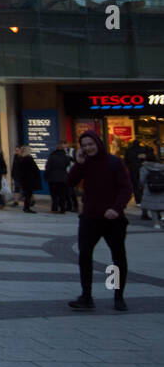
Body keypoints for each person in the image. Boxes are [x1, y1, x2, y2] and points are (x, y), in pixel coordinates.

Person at [66, 131, 132, 311]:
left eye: (91, 144)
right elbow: (70, 182)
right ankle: (86, 296)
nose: (88, 148)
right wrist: (78, 164)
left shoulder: (114, 162)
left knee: (117, 258)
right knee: (85, 255)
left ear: (98, 143)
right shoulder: (84, 164)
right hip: (90, 217)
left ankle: (118, 295)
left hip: (113, 219)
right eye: (85, 145)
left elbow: (126, 188)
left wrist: (116, 208)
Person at [123, 138, 151, 218]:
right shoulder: (144, 150)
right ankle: (144, 199)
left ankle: (138, 200)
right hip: (143, 168)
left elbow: (126, 161)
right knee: (144, 184)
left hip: (133, 170)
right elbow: (149, 158)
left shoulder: (129, 151)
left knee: (135, 185)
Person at [138, 152, 164, 229]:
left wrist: (142, 186)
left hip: (150, 189)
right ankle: (163, 219)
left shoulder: (144, 168)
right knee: (162, 206)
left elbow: (142, 180)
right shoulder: (161, 167)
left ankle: (156, 224)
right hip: (162, 189)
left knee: (153, 208)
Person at [13, 145, 42, 214]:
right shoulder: (28, 158)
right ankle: (27, 207)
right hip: (29, 179)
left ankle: (26, 207)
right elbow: (35, 169)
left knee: (27, 194)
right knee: (28, 194)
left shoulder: (20, 159)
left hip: (24, 179)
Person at [45, 143, 72, 213]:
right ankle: (62, 208)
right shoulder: (65, 157)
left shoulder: (52, 156)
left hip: (53, 178)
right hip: (63, 177)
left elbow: (47, 167)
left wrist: (46, 176)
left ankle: (54, 208)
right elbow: (68, 164)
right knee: (62, 194)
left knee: (54, 194)